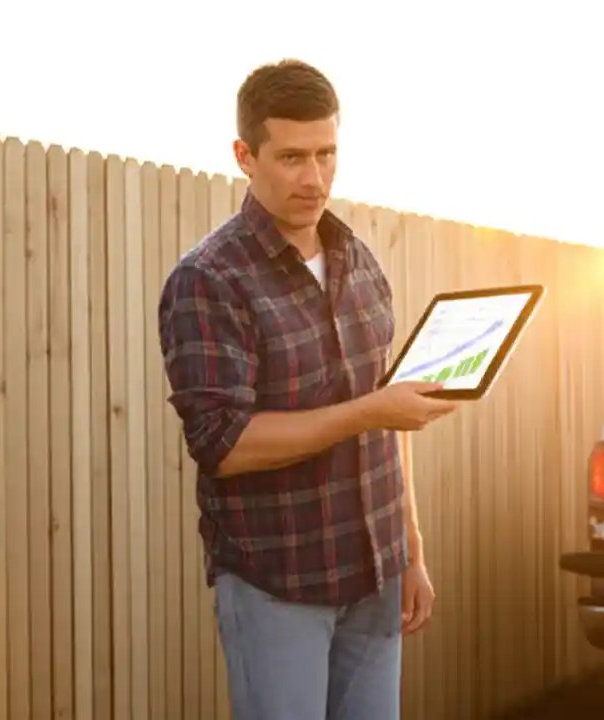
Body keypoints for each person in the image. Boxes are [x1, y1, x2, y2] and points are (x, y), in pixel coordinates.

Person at [157, 58, 459, 720]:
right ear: (245, 156)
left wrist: (410, 550)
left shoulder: (359, 260)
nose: (314, 177)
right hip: (279, 582)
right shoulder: (209, 279)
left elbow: (391, 418)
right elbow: (224, 444)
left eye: (327, 153)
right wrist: (368, 411)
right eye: (292, 157)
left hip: (376, 573)